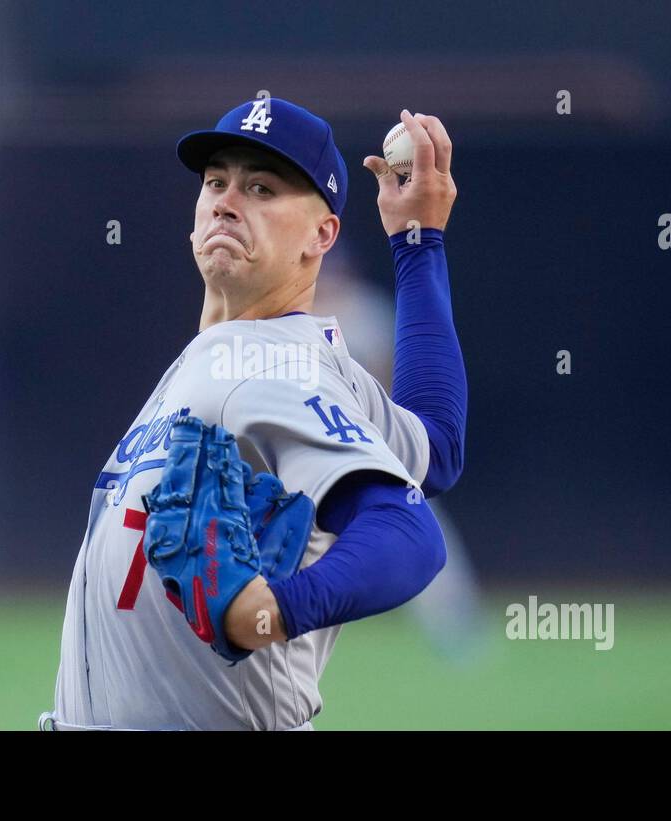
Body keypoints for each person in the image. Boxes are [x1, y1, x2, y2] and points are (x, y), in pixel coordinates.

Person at [44, 97, 466, 730]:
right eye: (217, 182)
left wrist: (272, 610)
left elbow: (409, 534)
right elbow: (436, 446)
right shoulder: (251, 359)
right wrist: (417, 243)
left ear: (321, 236)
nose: (226, 200)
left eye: (262, 188)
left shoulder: (267, 367)